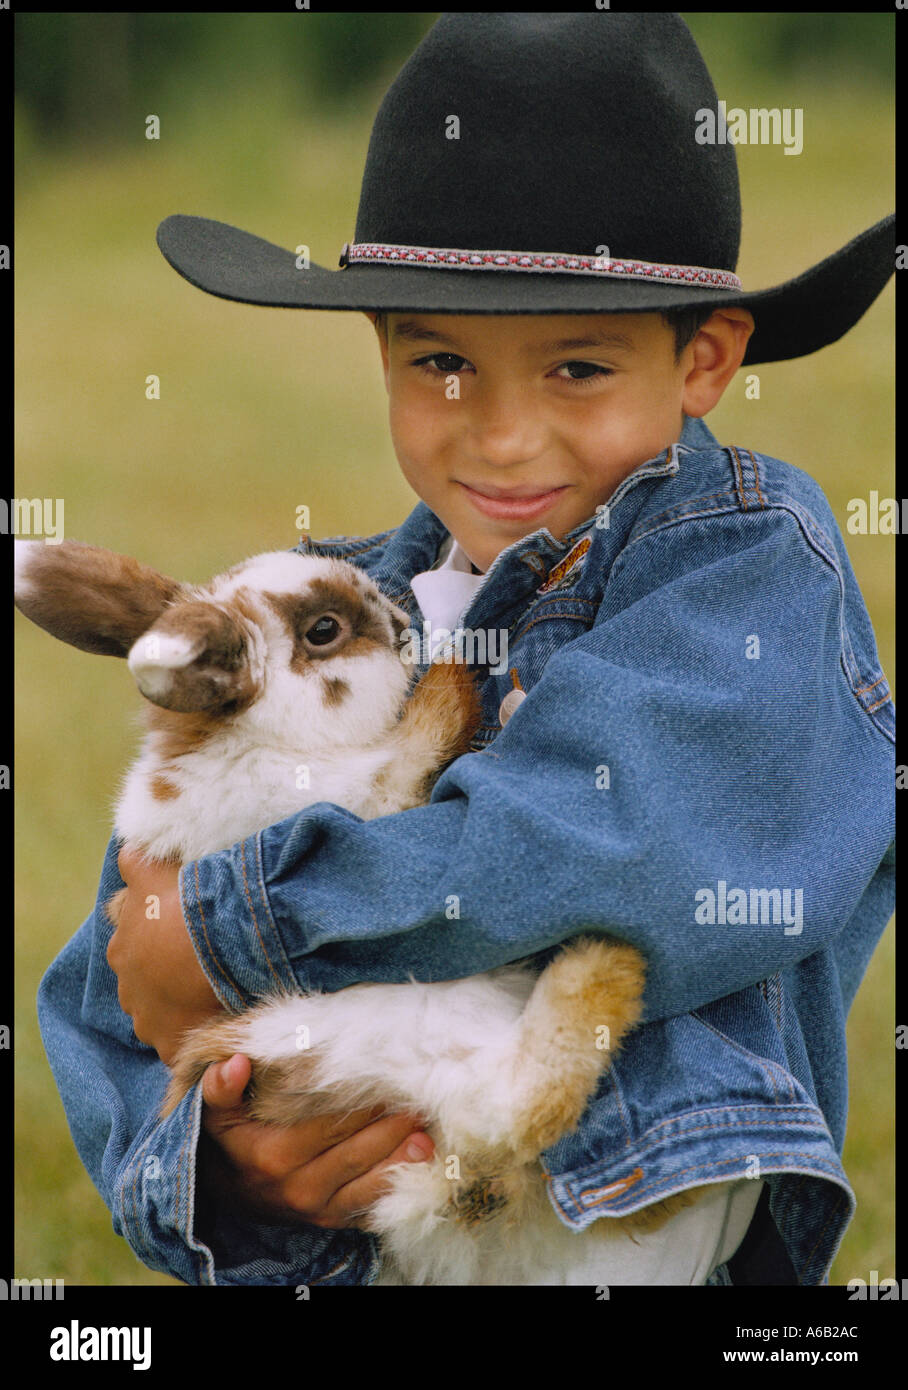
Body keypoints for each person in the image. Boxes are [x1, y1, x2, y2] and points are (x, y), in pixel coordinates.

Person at [37, 13, 894, 1285]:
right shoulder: (333, 615)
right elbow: (116, 987)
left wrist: (232, 926)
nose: (499, 438)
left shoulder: (741, 562)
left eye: (577, 368)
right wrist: (224, 1157)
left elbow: (619, 853)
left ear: (703, 359)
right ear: (377, 347)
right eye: (442, 361)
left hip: (622, 1237)